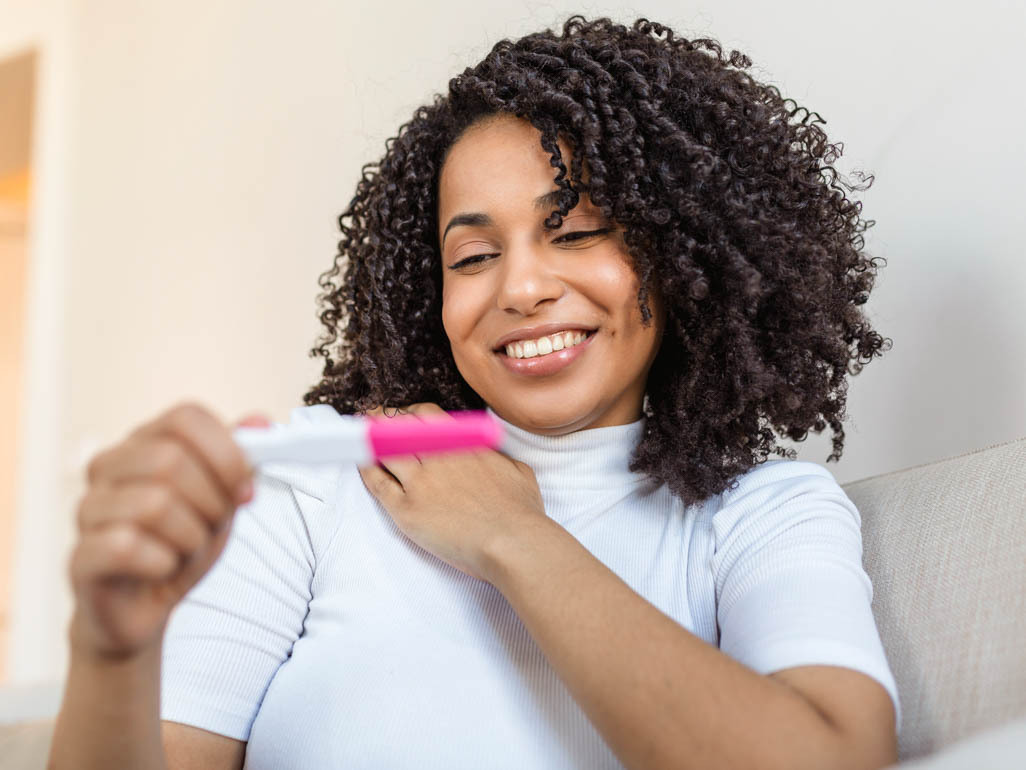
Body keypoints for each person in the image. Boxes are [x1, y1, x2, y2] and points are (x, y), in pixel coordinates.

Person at [49, 14, 900, 770]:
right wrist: (111, 652)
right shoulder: (319, 484)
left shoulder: (762, 513)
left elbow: (831, 756)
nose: (522, 288)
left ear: (685, 259)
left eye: (575, 233)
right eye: (473, 256)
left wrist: (512, 537)